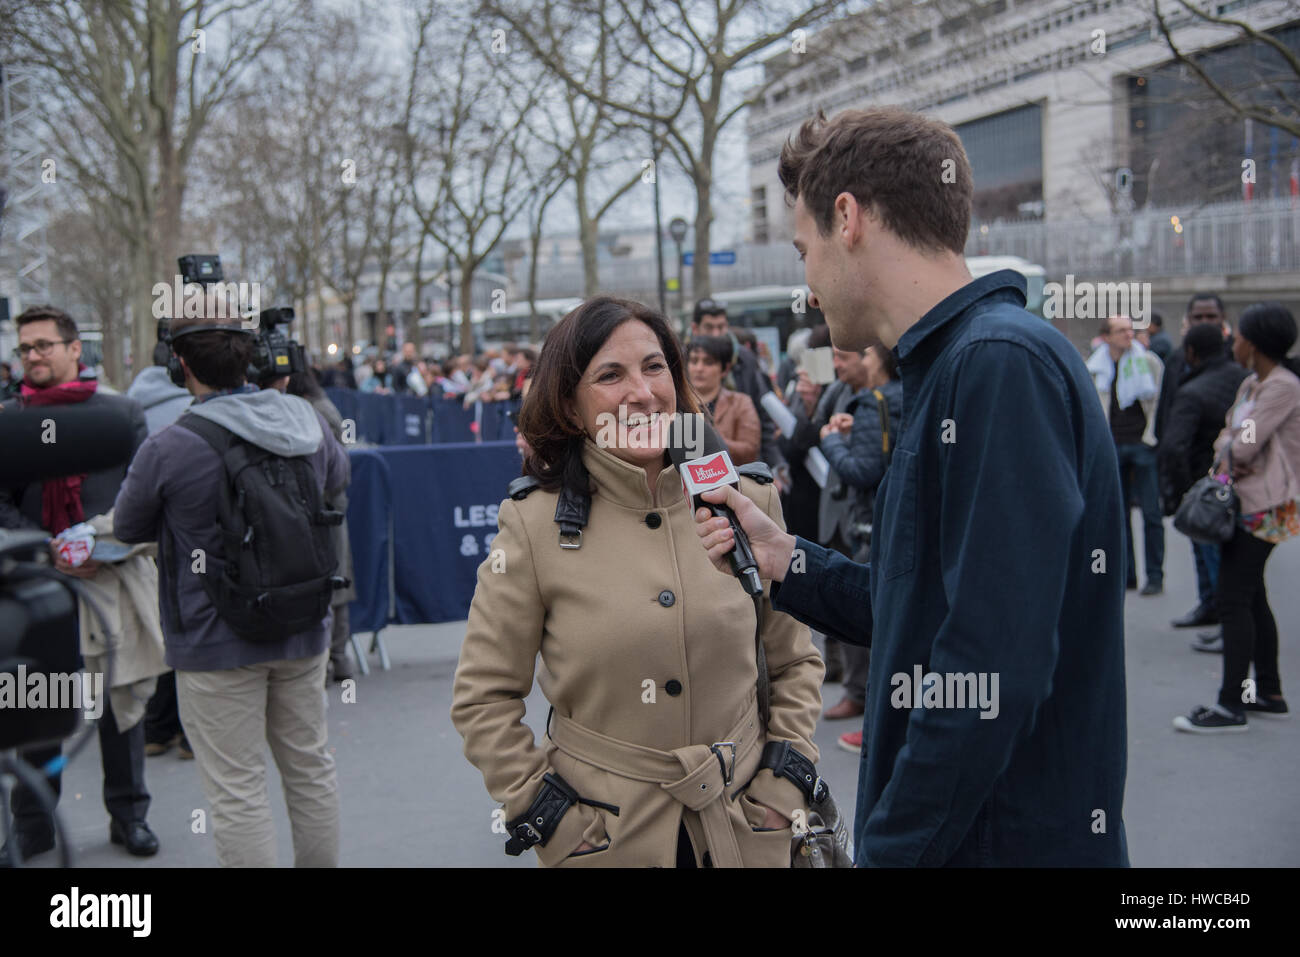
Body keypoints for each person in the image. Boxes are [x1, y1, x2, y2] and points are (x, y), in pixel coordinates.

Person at [693, 106, 1128, 866]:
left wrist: (891, 850)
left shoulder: (995, 364)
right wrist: (786, 559)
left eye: (804, 252)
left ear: (848, 217)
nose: (808, 286)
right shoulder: (967, 364)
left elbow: (988, 663)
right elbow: (926, 610)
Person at [451, 296, 823, 868]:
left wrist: (783, 789)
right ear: (571, 408)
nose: (642, 392)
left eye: (655, 367)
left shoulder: (748, 500)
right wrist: (552, 822)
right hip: (608, 838)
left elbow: (797, 662)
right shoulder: (532, 524)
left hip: (748, 831)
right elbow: (483, 697)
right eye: (609, 375)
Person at [113, 303, 348, 867]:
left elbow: (127, 527)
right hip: (303, 626)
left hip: (214, 640)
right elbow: (338, 485)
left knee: (237, 789)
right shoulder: (306, 421)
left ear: (179, 365)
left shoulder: (170, 444)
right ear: (256, 358)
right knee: (310, 769)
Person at [0, 305, 159, 864]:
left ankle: (130, 816)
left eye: (44, 345)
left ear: (74, 349)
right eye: (25, 349)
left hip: (110, 579)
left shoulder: (120, 415)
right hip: (33, 590)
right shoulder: (8, 419)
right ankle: (33, 825)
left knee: (120, 706)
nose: (33, 356)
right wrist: (47, 551)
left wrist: (97, 543)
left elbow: (144, 492)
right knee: (35, 705)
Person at [1174, 303, 1300, 732]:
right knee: (1251, 598)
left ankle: (1231, 704)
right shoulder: (1252, 384)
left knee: (1233, 601)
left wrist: (1229, 443)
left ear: (1257, 342)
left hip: (1262, 506)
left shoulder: (1280, 387)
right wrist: (1230, 442)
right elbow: (1231, 436)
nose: (1234, 341)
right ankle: (1269, 691)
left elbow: (1239, 444)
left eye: (1240, 335)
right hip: (1247, 500)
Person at [818, 343, 902, 749]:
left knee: (876, 626)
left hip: (872, 526)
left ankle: (878, 725)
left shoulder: (875, 401)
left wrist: (831, 441)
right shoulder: (907, 395)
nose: (856, 361)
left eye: (864, 354)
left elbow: (861, 470)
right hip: (893, 524)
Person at [127, 327, 197, 761]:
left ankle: (156, 729)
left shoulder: (128, 409)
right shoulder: (199, 412)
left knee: (157, 633)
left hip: (148, 545)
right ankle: (188, 735)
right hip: (199, 546)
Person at [1157, 323, 1248, 651]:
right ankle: (1212, 609)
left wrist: (1183, 491)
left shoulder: (1192, 391)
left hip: (1204, 486)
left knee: (1212, 554)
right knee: (1223, 555)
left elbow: (1173, 447)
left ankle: (1225, 621)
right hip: (1240, 484)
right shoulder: (1244, 381)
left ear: (1191, 353)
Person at [287, 370, 358, 682]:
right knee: (337, 580)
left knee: (332, 582)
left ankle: (335, 659)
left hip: (324, 505)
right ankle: (338, 660)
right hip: (330, 504)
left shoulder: (312, 411)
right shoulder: (321, 406)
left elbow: (335, 468)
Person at [1087, 315, 1165, 594]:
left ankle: (1155, 575)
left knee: (1152, 514)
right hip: (1112, 447)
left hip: (1142, 444)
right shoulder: (1095, 368)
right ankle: (1127, 574)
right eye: (1121, 331)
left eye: (1131, 330)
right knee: (1118, 516)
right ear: (1106, 336)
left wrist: (1152, 438)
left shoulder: (1149, 362)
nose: (1128, 335)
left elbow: (1159, 403)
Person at [693, 299, 786, 478]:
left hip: (743, 468)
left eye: (721, 327)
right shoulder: (684, 358)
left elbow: (763, 415)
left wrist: (774, 465)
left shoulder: (744, 359)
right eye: (709, 327)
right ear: (695, 329)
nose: (716, 334)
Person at [687, 335, 760, 464]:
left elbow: (750, 451)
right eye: (694, 361)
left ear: (725, 369)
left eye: (708, 362)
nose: (699, 368)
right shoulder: (678, 403)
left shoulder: (741, 403)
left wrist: (709, 439)